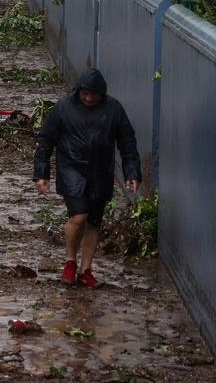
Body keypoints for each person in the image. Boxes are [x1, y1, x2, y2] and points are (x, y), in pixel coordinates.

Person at [33, 68, 141, 288]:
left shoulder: (114, 109)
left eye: (94, 94)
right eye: (85, 94)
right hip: (71, 169)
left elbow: (127, 141)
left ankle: (86, 269)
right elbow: (46, 140)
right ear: (78, 91)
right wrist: (41, 173)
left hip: (101, 172)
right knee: (79, 216)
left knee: (93, 221)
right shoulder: (63, 108)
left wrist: (132, 172)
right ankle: (70, 262)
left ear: (102, 93)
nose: (89, 98)